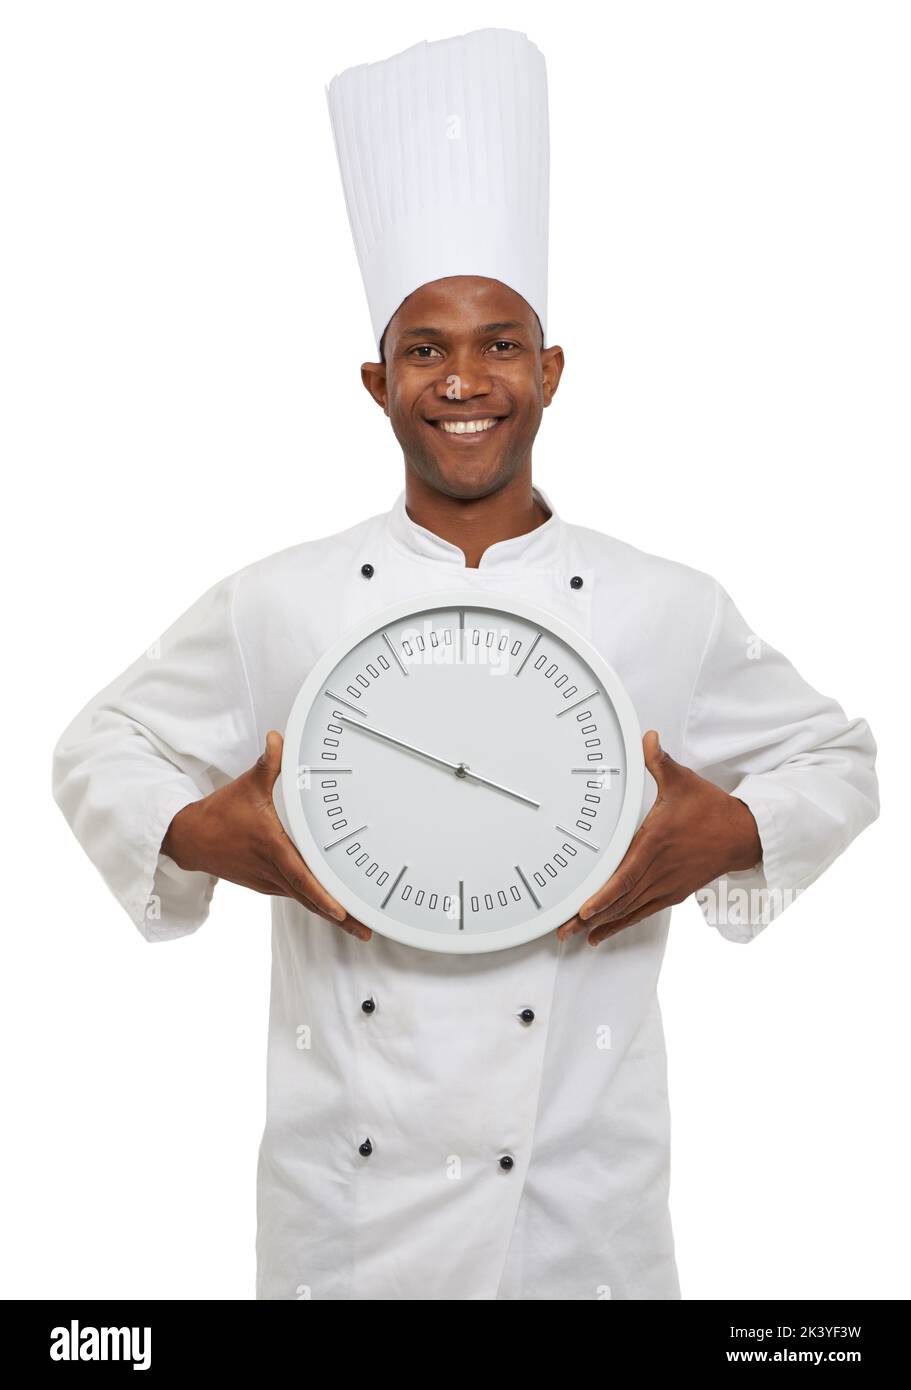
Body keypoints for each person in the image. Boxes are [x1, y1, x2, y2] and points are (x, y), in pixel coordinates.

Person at [52, 28, 879, 1300]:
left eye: (499, 343)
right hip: (344, 1223)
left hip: (579, 1214)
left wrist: (727, 832)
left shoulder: (664, 603)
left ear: (549, 372)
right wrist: (204, 832)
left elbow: (836, 757)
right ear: (375, 380)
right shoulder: (282, 599)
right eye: (425, 348)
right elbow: (99, 746)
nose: (463, 380)